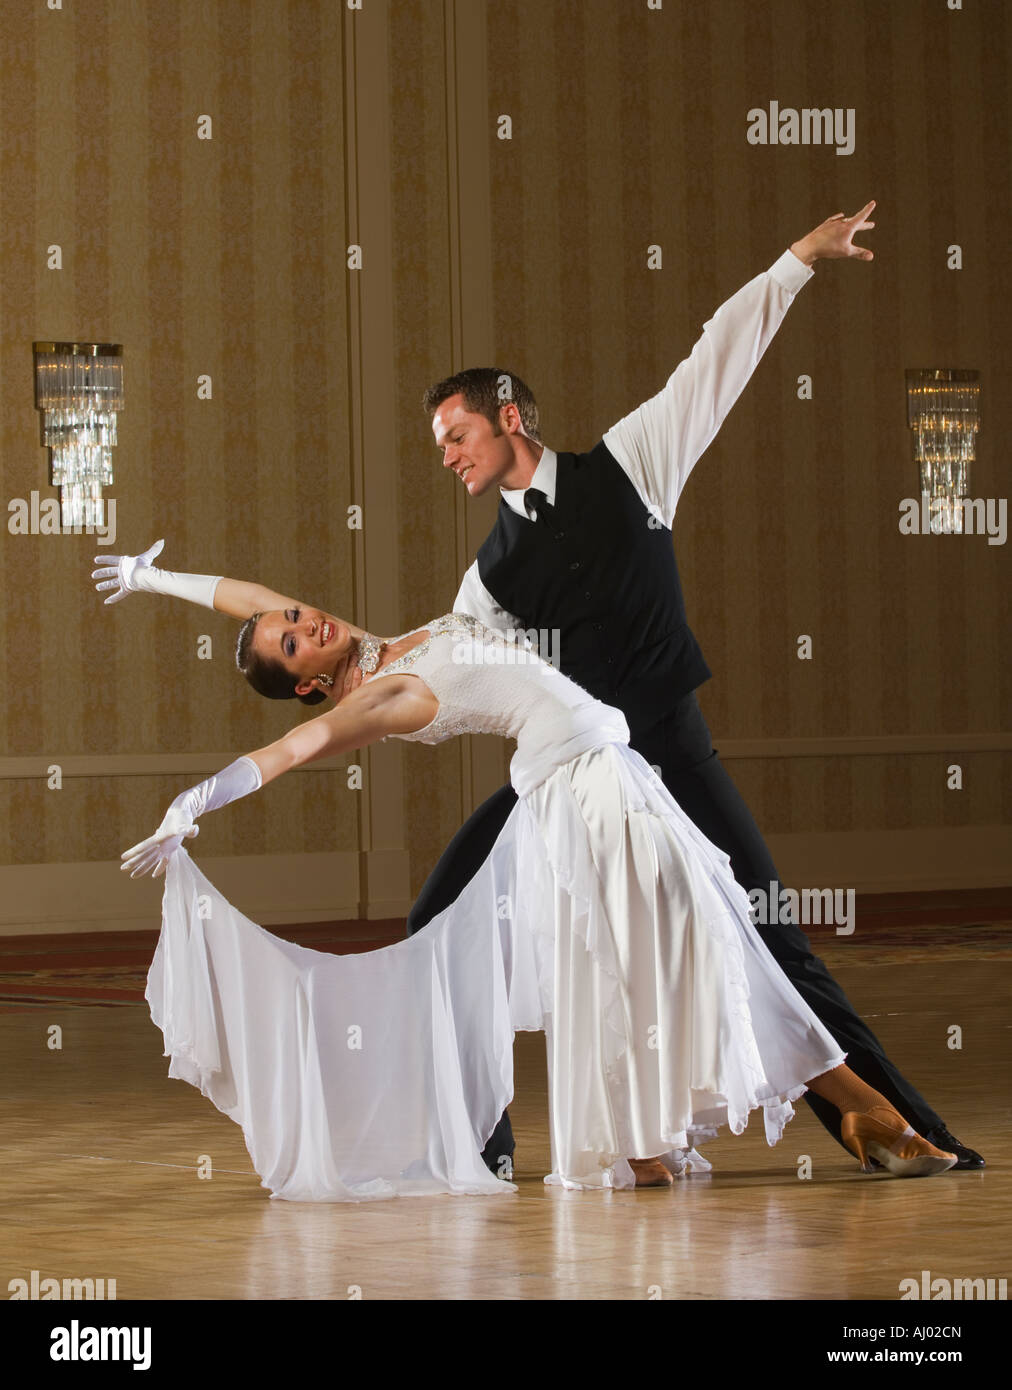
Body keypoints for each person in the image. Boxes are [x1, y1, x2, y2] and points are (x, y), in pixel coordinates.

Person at [410, 200, 985, 1175]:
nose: (448, 455)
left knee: (775, 942)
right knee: (440, 918)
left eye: (456, 433)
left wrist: (799, 260)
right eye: (439, 446)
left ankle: (910, 1131)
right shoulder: (487, 581)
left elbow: (714, 359)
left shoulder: (632, 465)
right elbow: (436, 669)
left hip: (673, 755)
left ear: (508, 416)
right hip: (573, 780)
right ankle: (481, 1149)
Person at [93, 552, 956, 1198]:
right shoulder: (381, 695)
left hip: (609, 771)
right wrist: (194, 802)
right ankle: (855, 1110)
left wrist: (151, 578)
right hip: (581, 791)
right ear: (311, 684)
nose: (304, 622)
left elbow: (249, 600)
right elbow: (294, 747)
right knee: (706, 937)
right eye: (292, 642)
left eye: (297, 615)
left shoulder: (387, 640)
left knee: (675, 946)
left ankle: (660, 1141)